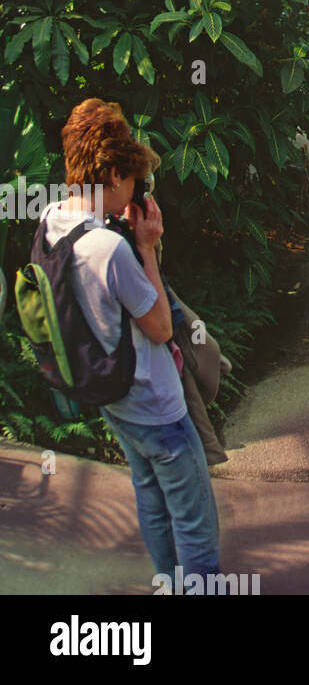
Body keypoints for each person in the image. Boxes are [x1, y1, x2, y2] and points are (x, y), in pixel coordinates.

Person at [45, 99, 221, 587]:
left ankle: (167, 582)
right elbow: (161, 327)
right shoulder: (110, 248)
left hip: (114, 398)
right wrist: (146, 247)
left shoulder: (52, 221)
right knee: (194, 521)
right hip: (157, 404)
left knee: (151, 496)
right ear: (118, 174)